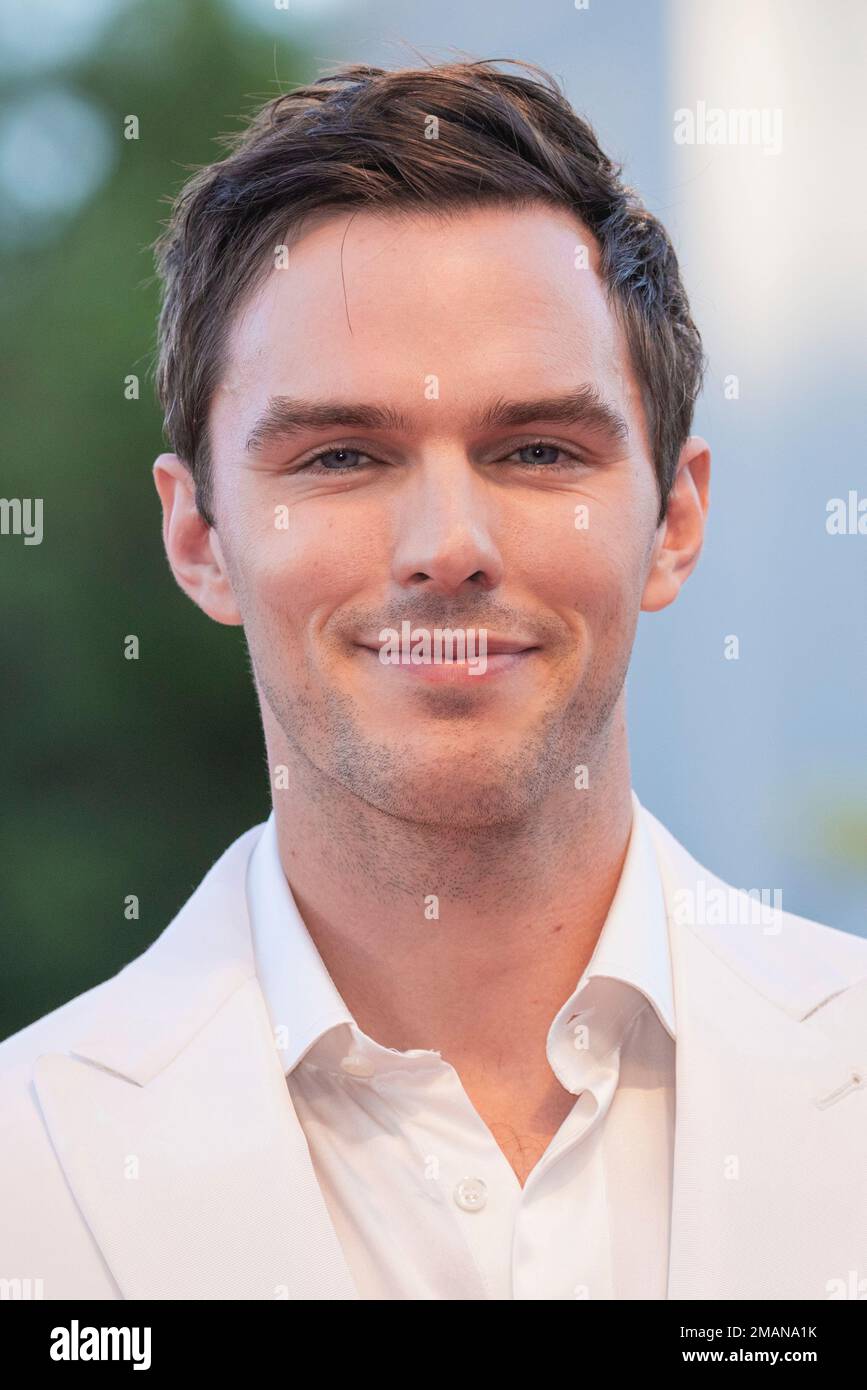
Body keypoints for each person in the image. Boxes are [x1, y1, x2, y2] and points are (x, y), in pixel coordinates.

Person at [2, 58, 865, 1302]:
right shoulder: (23, 1172)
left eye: (537, 448)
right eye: (343, 453)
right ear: (199, 539)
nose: (447, 546)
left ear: (675, 519)